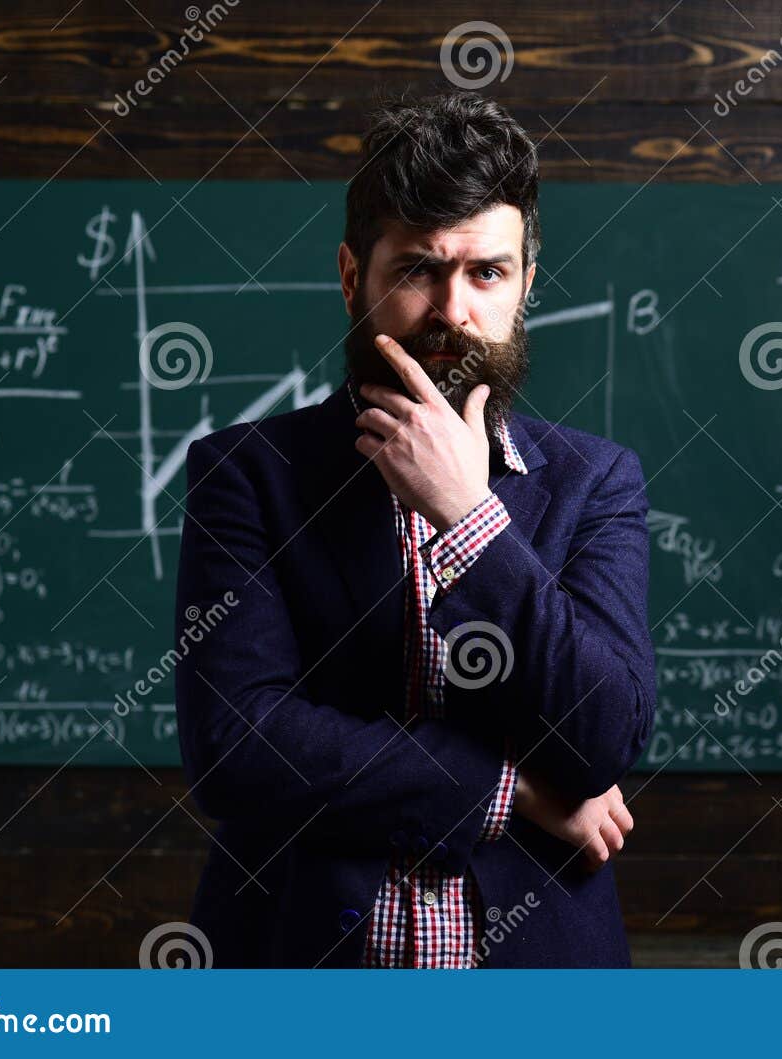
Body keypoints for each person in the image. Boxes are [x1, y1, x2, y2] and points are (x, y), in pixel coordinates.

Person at [172, 90, 655, 968]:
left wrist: (471, 518)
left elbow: (606, 732)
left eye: (486, 273)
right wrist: (509, 789)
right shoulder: (245, 476)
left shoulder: (596, 483)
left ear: (525, 287)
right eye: (417, 270)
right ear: (354, 276)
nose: (452, 310)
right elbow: (237, 748)